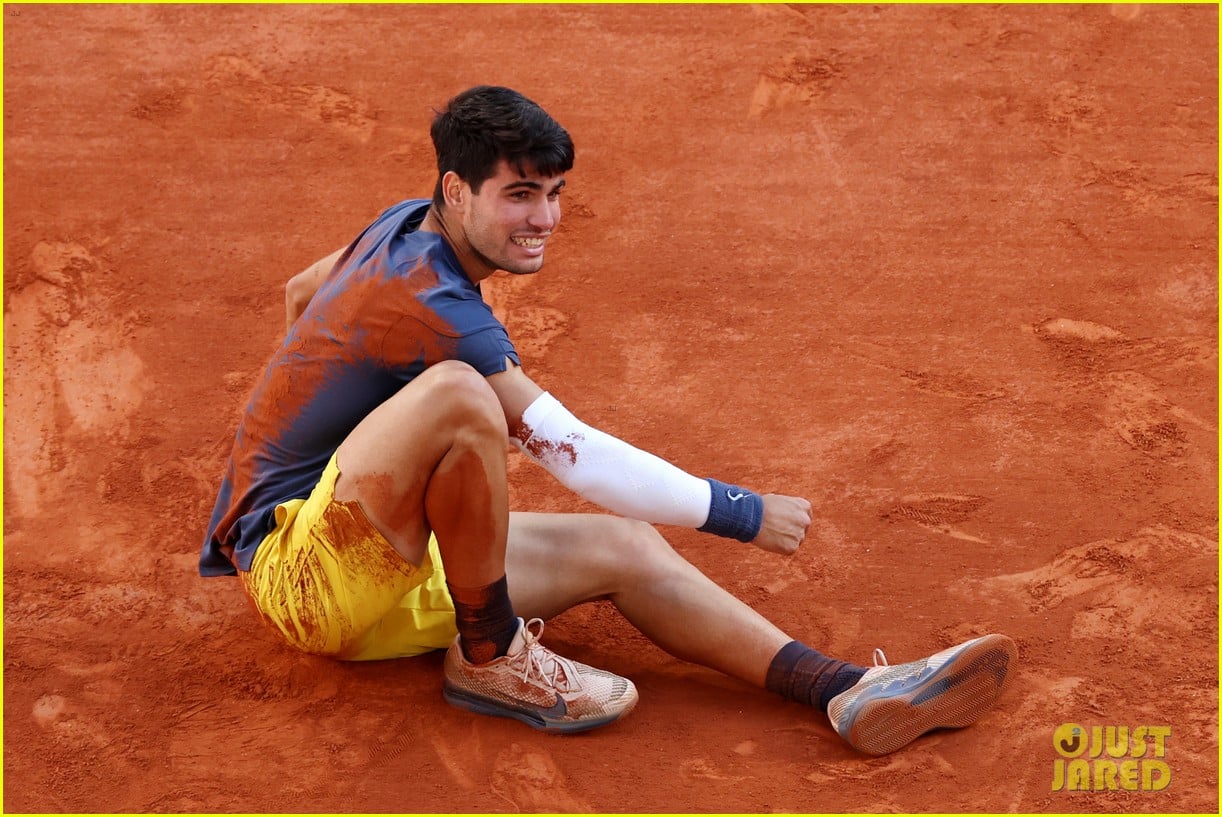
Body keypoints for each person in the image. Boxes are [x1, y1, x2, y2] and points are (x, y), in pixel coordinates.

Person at [201, 85, 1016, 754]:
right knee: (458, 396)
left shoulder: (401, 224)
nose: (545, 220)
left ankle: (843, 689)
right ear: (457, 190)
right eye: (520, 195)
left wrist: (367, 466)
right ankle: (492, 655)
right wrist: (741, 511)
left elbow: (303, 294)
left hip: (368, 564)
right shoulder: (440, 307)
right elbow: (571, 451)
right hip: (302, 578)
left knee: (624, 545)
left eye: (553, 195)